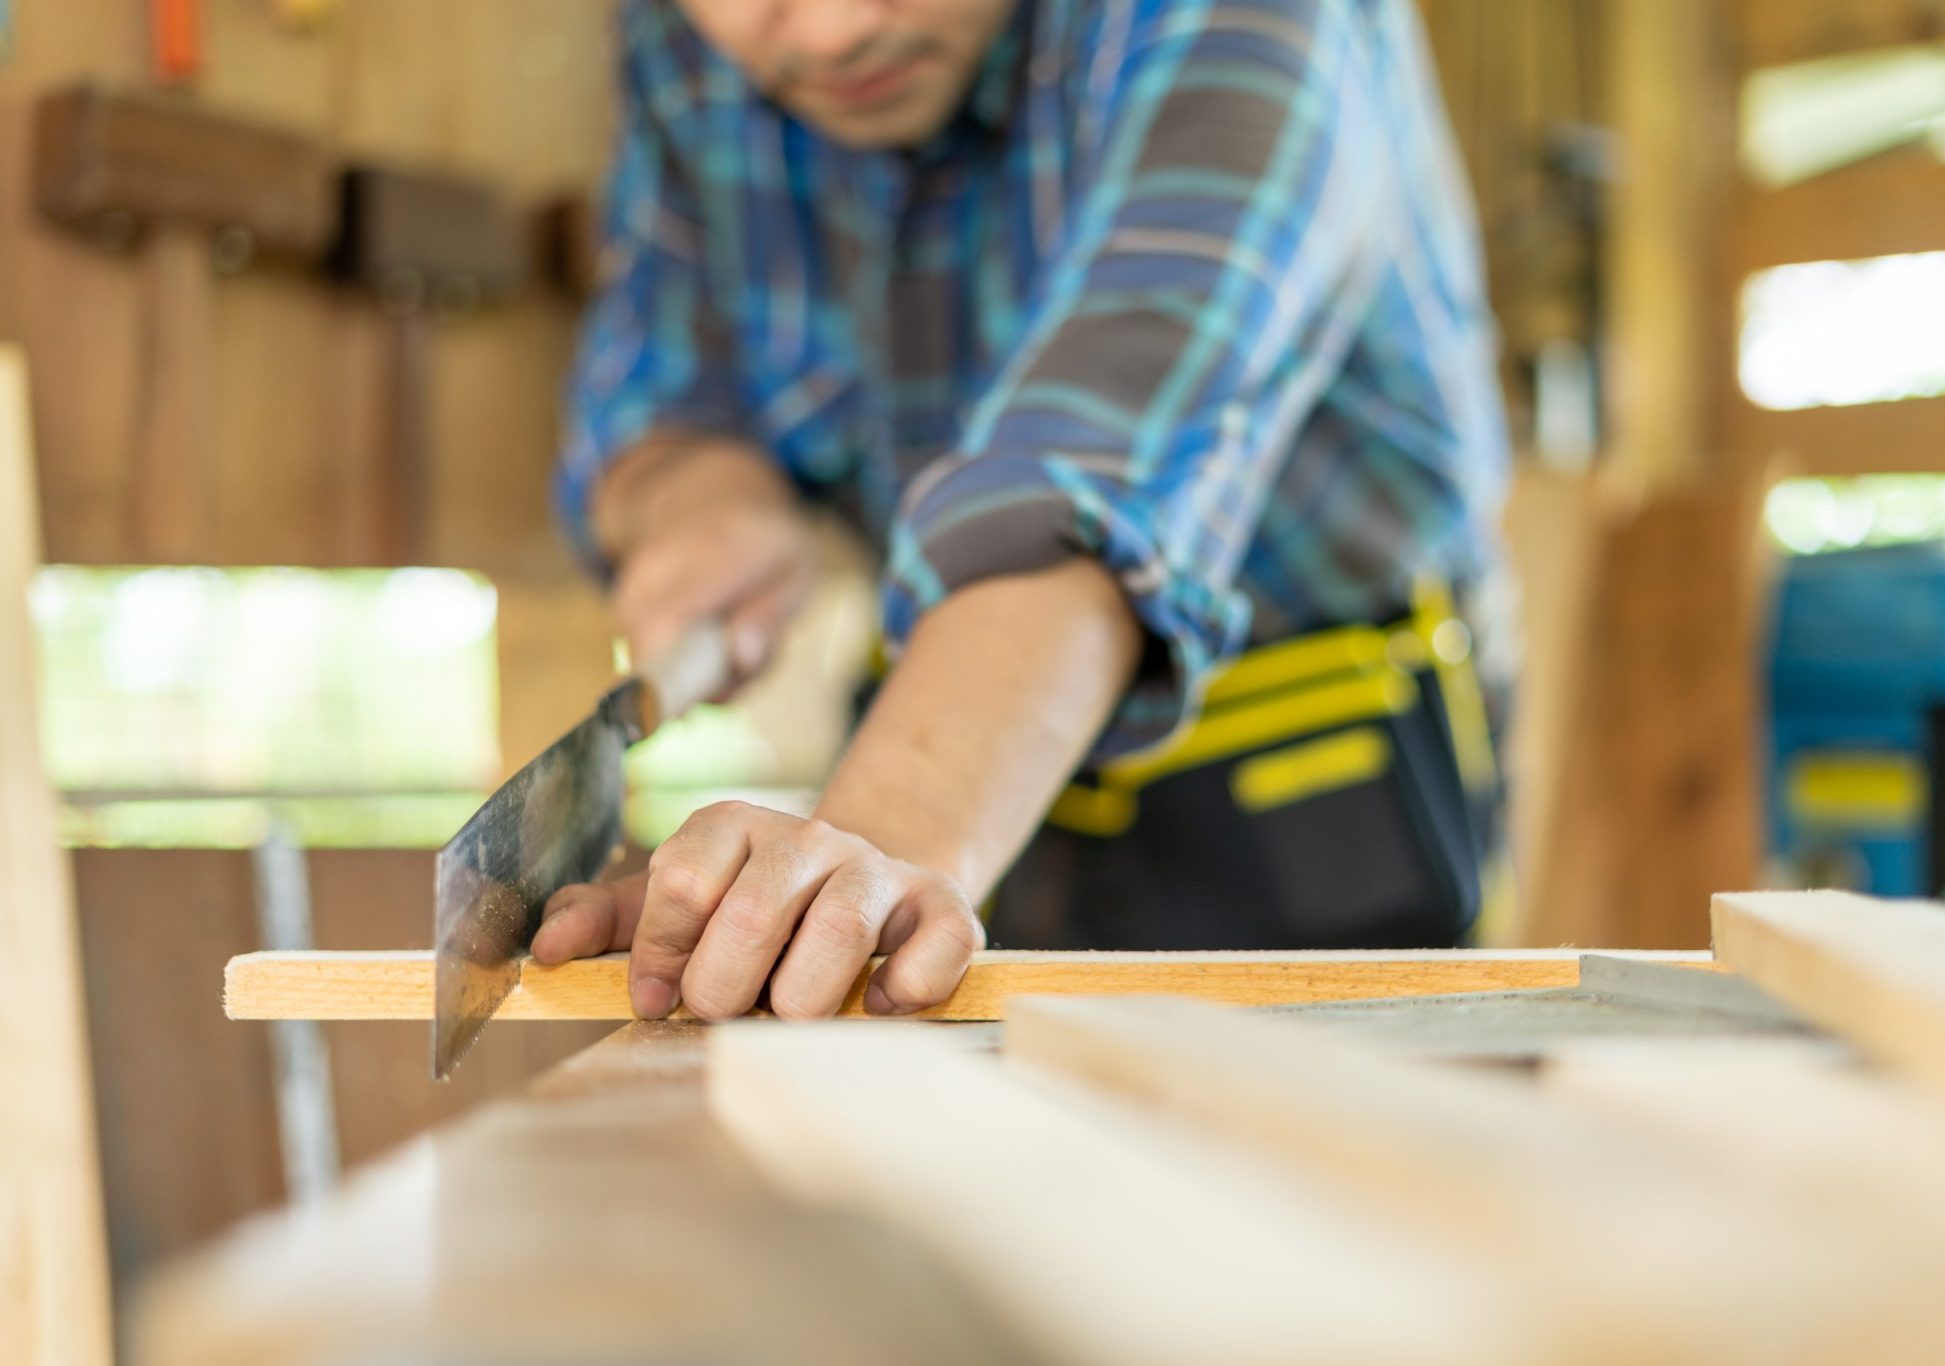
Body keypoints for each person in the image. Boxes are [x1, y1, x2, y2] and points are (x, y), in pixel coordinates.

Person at [532, 0, 1514, 1022]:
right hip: (950, 731)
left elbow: (1090, 483)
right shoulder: (681, 36)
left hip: (1319, 736)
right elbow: (664, 378)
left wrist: (859, 864)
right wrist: (698, 497)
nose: (828, 33)